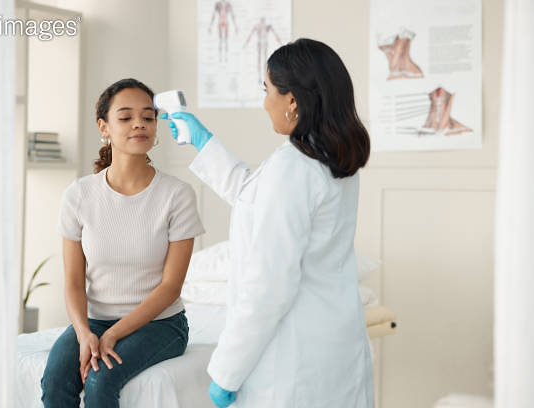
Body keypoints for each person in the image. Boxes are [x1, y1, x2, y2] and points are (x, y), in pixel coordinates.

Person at [161, 38, 374, 407]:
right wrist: (203, 141)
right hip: (336, 348)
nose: (265, 103)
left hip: (295, 365)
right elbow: (255, 198)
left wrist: (226, 371)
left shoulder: (293, 169)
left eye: (267, 90)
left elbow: (268, 288)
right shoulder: (332, 160)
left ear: (292, 100)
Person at [41, 78, 205, 407]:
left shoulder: (177, 195)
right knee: (56, 379)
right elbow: (73, 281)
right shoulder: (79, 195)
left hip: (160, 324)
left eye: (148, 116)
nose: (139, 124)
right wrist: (86, 333)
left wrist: (113, 334)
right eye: (126, 117)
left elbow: (170, 287)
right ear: (104, 127)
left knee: (102, 379)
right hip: (96, 319)